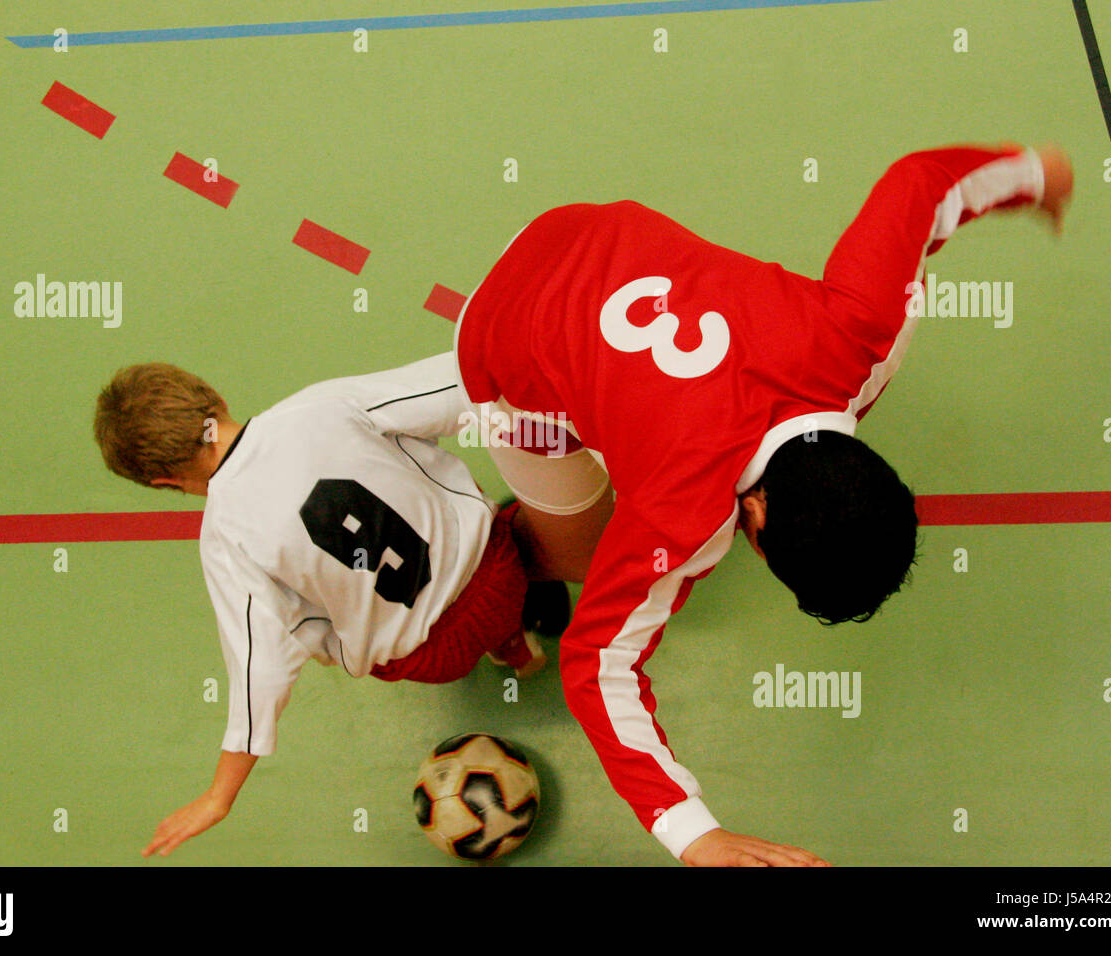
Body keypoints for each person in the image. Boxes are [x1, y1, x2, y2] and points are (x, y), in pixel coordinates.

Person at [453, 143, 1075, 866]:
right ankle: (507, 560)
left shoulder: (863, 331)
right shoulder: (677, 517)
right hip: (502, 348)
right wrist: (695, 836)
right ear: (751, 523)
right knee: (583, 556)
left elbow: (918, 183)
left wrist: (1033, 174)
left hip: (581, 230)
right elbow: (596, 661)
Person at [92, 353, 568, 857]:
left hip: (432, 655)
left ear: (165, 484)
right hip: (496, 571)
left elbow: (262, 675)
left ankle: (509, 652)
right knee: (504, 527)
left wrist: (219, 795)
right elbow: (462, 389)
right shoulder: (322, 407)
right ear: (215, 399)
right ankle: (517, 647)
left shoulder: (225, 542)